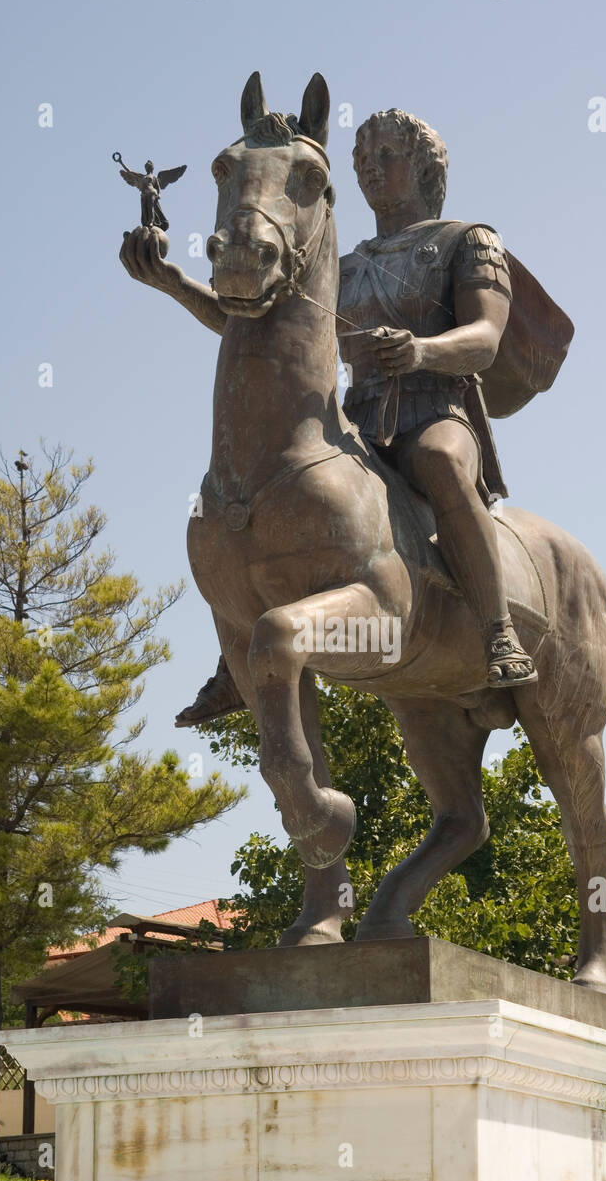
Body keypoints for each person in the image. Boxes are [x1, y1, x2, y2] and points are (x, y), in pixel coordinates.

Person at [176, 108, 540, 727]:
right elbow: (250, 313)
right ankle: (232, 658)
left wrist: (422, 349)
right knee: (269, 489)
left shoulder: (468, 240)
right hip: (360, 418)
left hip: (436, 408)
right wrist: (173, 282)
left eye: (386, 155)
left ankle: (497, 628)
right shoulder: (341, 262)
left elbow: (485, 337)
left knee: (440, 462)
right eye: (361, 158)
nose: (370, 167)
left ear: (423, 167)